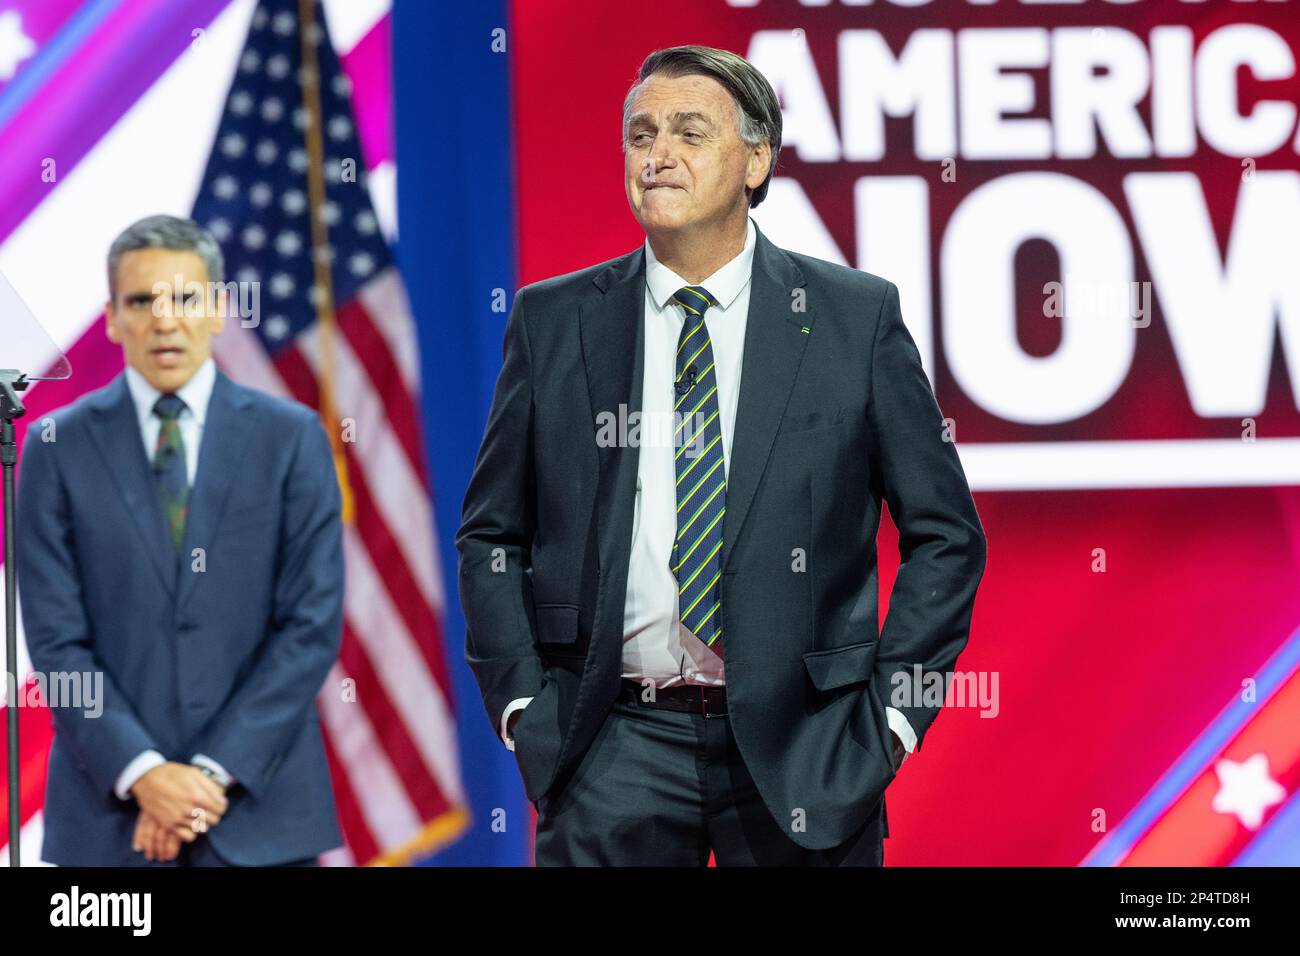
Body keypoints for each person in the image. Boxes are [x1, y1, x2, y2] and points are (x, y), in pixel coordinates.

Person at [457, 46, 988, 865]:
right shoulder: (553, 320)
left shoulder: (854, 318)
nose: (657, 154)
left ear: (756, 158)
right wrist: (525, 706)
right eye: (641, 134)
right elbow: (491, 534)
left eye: (688, 132)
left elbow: (946, 536)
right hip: (608, 746)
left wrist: (891, 720)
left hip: (809, 751)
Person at [18, 214, 345, 866]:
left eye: (186, 298)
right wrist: (144, 774)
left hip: (262, 815)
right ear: (111, 317)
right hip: (107, 825)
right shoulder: (55, 447)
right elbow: (56, 643)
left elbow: (310, 626)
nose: (165, 320)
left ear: (220, 309)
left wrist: (205, 778)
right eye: (142, 301)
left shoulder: (292, 438)